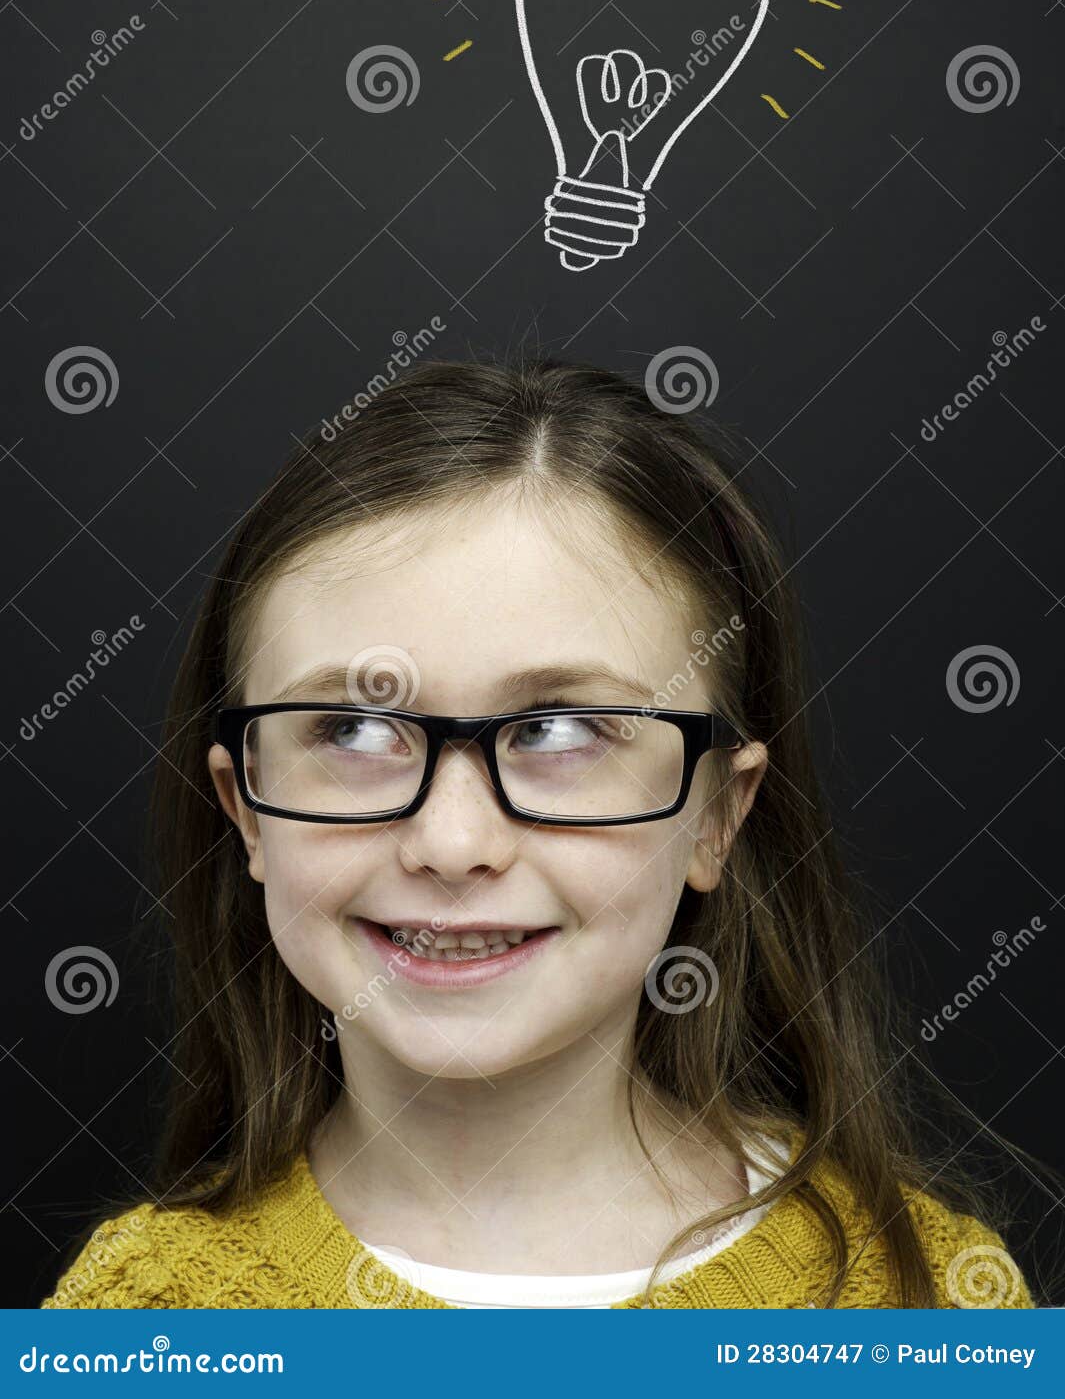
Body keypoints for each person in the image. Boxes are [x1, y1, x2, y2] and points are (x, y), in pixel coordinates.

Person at [41, 356, 1036, 1309]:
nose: (451, 840)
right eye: (354, 728)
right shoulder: (144, 1315)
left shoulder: (932, 1301)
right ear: (247, 808)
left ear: (716, 816)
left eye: (562, 730)